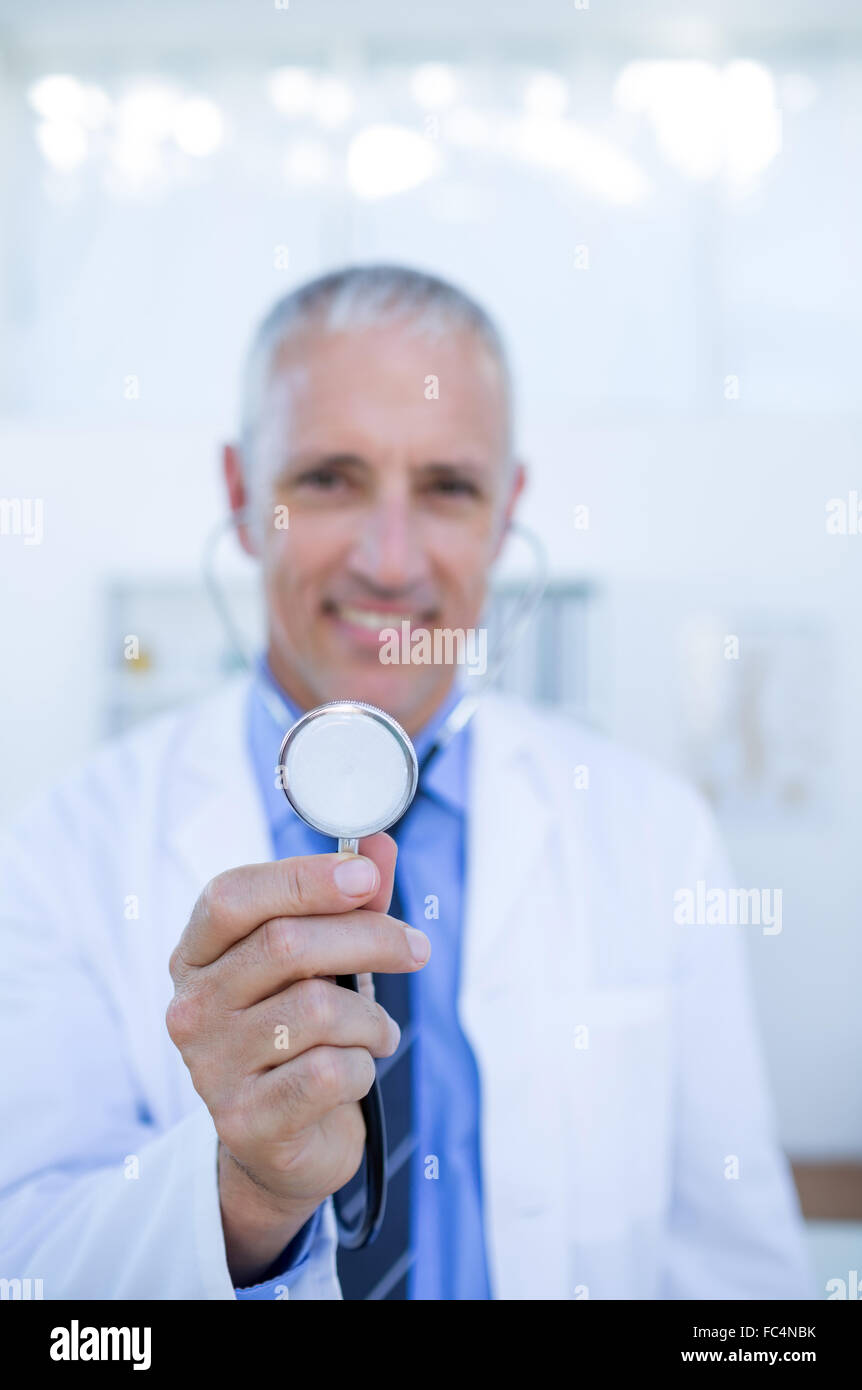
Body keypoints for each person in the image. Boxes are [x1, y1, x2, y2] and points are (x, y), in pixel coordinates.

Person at [0, 265, 812, 1300]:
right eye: (329, 479)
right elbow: (31, 1282)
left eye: (445, 488)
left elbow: (741, 1288)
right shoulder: (62, 852)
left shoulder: (655, 833)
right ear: (243, 498)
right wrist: (246, 1196)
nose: (389, 562)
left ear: (504, 509)